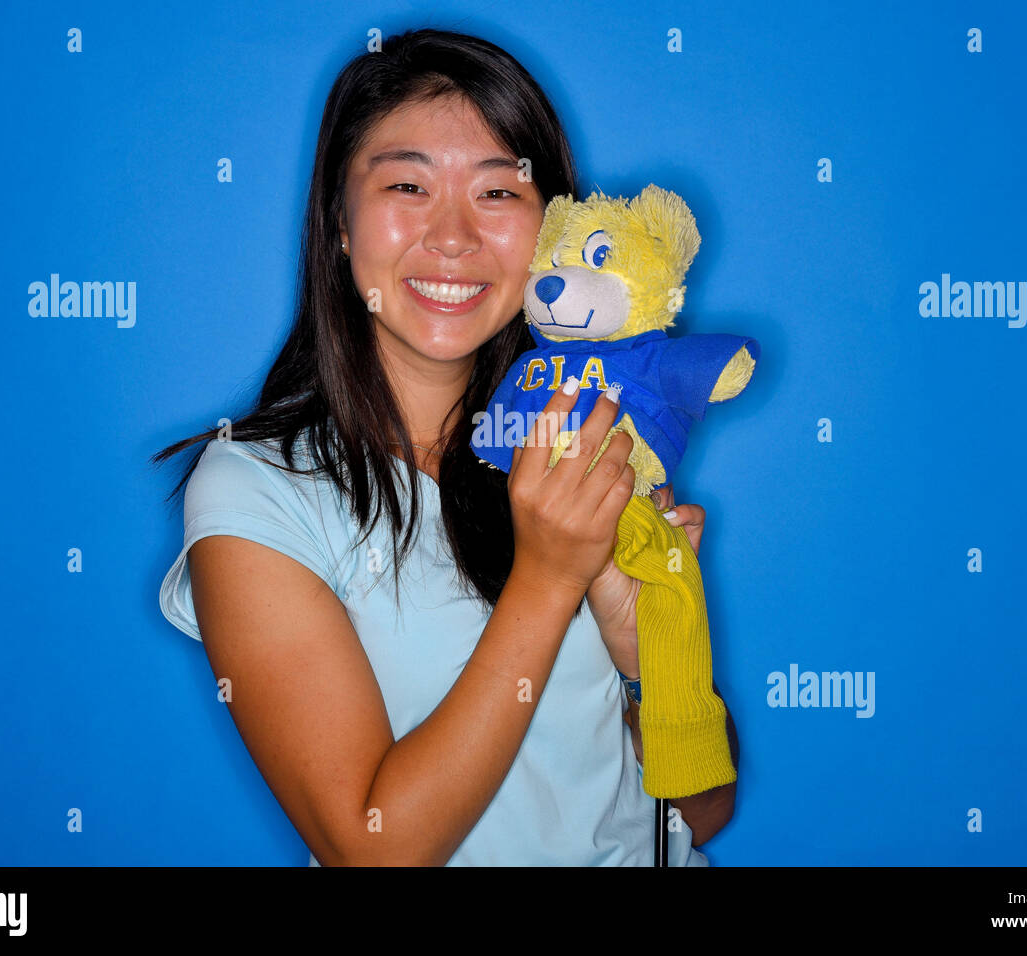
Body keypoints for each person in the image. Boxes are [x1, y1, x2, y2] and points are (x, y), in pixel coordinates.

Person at [153, 27, 739, 866]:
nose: (455, 235)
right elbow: (372, 847)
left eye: (499, 193)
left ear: (550, 231)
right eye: (407, 184)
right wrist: (548, 579)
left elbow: (704, 812)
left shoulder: (590, 448)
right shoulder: (256, 491)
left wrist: (646, 662)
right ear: (340, 223)